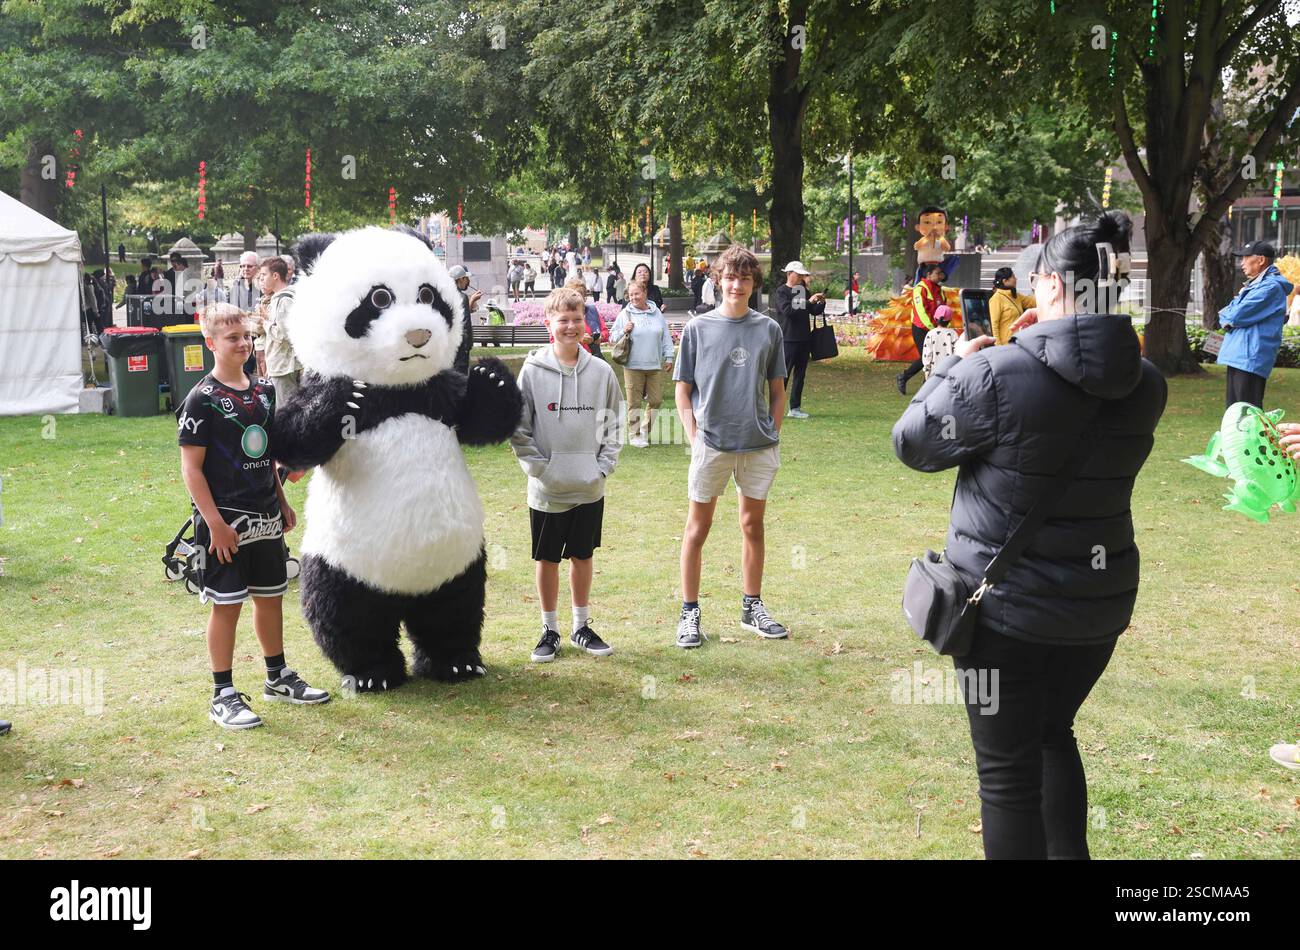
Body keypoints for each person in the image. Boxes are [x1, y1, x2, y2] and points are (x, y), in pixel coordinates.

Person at [892, 211, 1167, 860]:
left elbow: (914, 444)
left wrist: (953, 370)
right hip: (1094, 613)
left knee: (1007, 778)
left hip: (1005, 616)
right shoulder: (1146, 387)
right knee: (1052, 736)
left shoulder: (995, 375)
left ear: (1047, 287)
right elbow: (1081, 379)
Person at [179, 303, 331, 730]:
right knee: (226, 607)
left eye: (246, 336)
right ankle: (222, 693)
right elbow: (191, 470)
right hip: (224, 523)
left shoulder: (264, 392)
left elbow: (265, 455)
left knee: (270, 597)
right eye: (232, 338)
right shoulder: (201, 400)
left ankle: (277, 675)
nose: (243, 344)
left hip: (264, 516)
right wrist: (215, 525)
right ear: (210, 343)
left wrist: (280, 500)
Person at [672, 245, 788, 649]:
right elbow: (682, 391)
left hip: (757, 446)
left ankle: (751, 607)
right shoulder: (697, 330)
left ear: (754, 284)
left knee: (752, 526)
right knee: (697, 529)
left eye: (745, 279)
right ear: (718, 280)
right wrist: (693, 435)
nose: (736, 285)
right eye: (730, 277)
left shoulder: (768, 330)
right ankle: (689, 613)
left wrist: (771, 429)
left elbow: (778, 390)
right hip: (712, 445)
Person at [510, 286, 623, 663]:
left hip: (589, 487)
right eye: (564, 320)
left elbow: (614, 425)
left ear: (585, 324)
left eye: (577, 320)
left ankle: (581, 625)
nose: (571, 326)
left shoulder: (602, 372)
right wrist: (541, 470)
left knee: (582, 555)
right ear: (549, 324)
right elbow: (519, 428)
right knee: (547, 560)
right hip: (547, 490)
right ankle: (550, 629)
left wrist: (602, 468)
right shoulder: (532, 371)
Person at [1215, 240, 1293, 409]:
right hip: (1240, 355)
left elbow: (1234, 315)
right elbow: (1228, 316)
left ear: (1261, 260)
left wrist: (1229, 316)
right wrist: (1228, 316)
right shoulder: (1256, 285)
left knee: (1247, 414)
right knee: (1235, 413)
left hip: (1250, 357)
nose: (1241, 263)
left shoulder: (1270, 287)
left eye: (1245, 257)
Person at [610, 279, 675, 448]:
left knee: (656, 400)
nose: (633, 297)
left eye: (636, 293)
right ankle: (635, 434)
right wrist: (624, 330)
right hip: (632, 365)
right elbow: (612, 337)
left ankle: (645, 429)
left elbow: (665, 336)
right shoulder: (626, 313)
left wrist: (669, 357)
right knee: (634, 403)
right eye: (630, 295)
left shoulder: (656, 313)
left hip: (653, 364)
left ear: (645, 293)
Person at [772, 260, 826, 419]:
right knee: (785, 374)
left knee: (800, 375)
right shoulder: (782, 291)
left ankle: (795, 407)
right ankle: (776, 406)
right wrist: (808, 302)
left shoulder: (802, 290)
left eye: (803, 275)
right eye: (799, 274)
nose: (802, 277)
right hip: (788, 338)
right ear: (790, 274)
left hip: (804, 338)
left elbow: (813, 311)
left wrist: (821, 302)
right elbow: (788, 311)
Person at [896, 263, 952, 395]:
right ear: (928, 274)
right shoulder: (920, 288)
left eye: (940, 273)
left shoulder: (940, 290)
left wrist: (943, 327)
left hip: (936, 328)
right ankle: (904, 377)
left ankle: (926, 384)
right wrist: (933, 328)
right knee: (925, 357)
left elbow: (944, 310)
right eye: (937, 273)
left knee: (935, 356)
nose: (940, 276)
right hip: (921, 328)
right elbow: (920, 311)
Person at [258, 256, 301, 403]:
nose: (261, 279)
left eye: (264, 275)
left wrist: (264, 323)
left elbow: (285, 335)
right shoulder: (278, 298)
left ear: (275, 276)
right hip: (281, 364)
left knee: (285, 411)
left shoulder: (284, 300)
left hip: (284, 366)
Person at [988, 266, 1036, 345]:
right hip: (1005, 346)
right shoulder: (996, 299)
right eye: (1013, 277)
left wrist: (1034, 283)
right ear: (1005, 281)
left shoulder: (1016, 296)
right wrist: (998, 348)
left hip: (1017, 343)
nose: (1016, 279)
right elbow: (994, 326)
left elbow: (1034, 302)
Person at [447, 264, 481, 375]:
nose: (468, 281)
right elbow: (464, 323)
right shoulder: (462, 297)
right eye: (466, 278)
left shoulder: (444, 296)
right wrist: (466, 346)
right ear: (461, 279)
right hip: (461, 347)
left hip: (447, 344)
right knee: (460, 376)